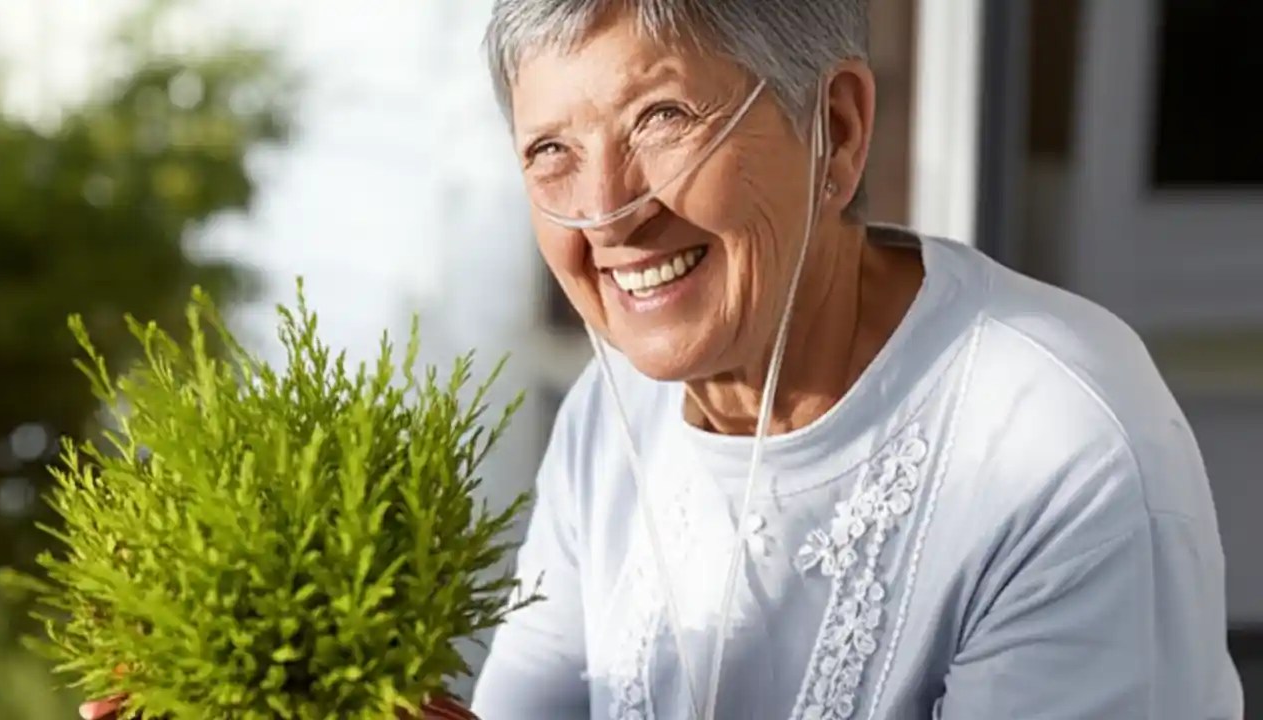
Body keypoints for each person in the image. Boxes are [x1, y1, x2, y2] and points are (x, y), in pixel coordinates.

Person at [86, 0, 1245, 718]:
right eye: (549, 149)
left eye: (661, 120)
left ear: (834, 130)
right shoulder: (616, 413)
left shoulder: (1057, 438)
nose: (605, 213)